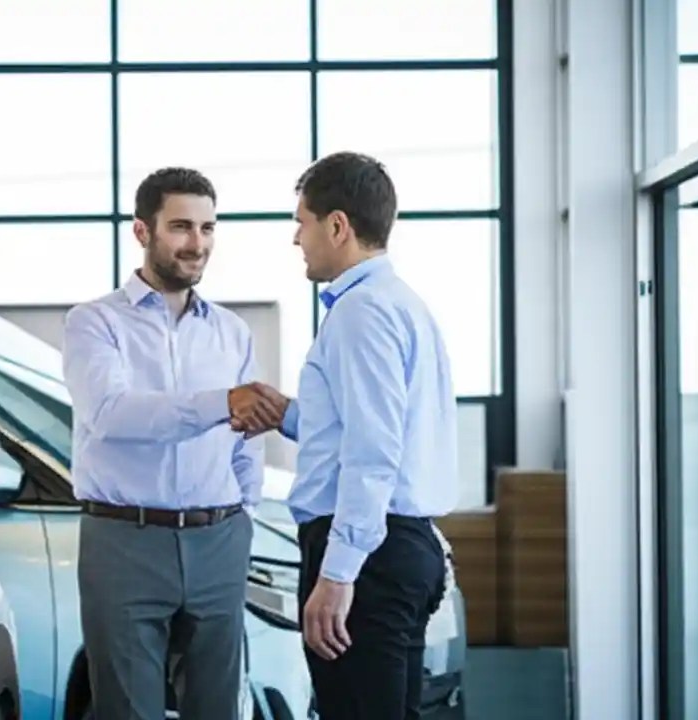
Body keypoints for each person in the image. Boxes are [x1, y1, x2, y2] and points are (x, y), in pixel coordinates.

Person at [231, 152, 459, 719]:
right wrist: (288, 413)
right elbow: (372, 429)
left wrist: (337, 575)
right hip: (403, 545)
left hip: (371, 557)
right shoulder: (402, 305)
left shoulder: (362, 313)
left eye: (301, 222)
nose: (295, 239)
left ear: (337, 226)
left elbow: (372, 453)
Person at [61, 167, 286, 719]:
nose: (198, 244)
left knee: (218, 710)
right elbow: (112, 413)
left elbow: (247, 440)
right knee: (128, 710)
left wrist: (243, 513)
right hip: (124, 540)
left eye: (208, 228)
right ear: (143, 232)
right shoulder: (94, 324)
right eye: (182, 227)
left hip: (218, 539)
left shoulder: (231, 331)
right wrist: (219, 402)